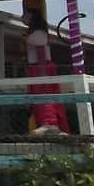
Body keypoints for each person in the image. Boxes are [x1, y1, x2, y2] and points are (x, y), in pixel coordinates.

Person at [23, 7, 68, 135]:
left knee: (44, 94)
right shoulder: (36, 32)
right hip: (37, 68)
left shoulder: (38, 33)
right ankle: (44, 122)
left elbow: (39, 48)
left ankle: (50, 123)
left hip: (41, 68)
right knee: (38, 96)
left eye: (26, 13)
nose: (23, 17)